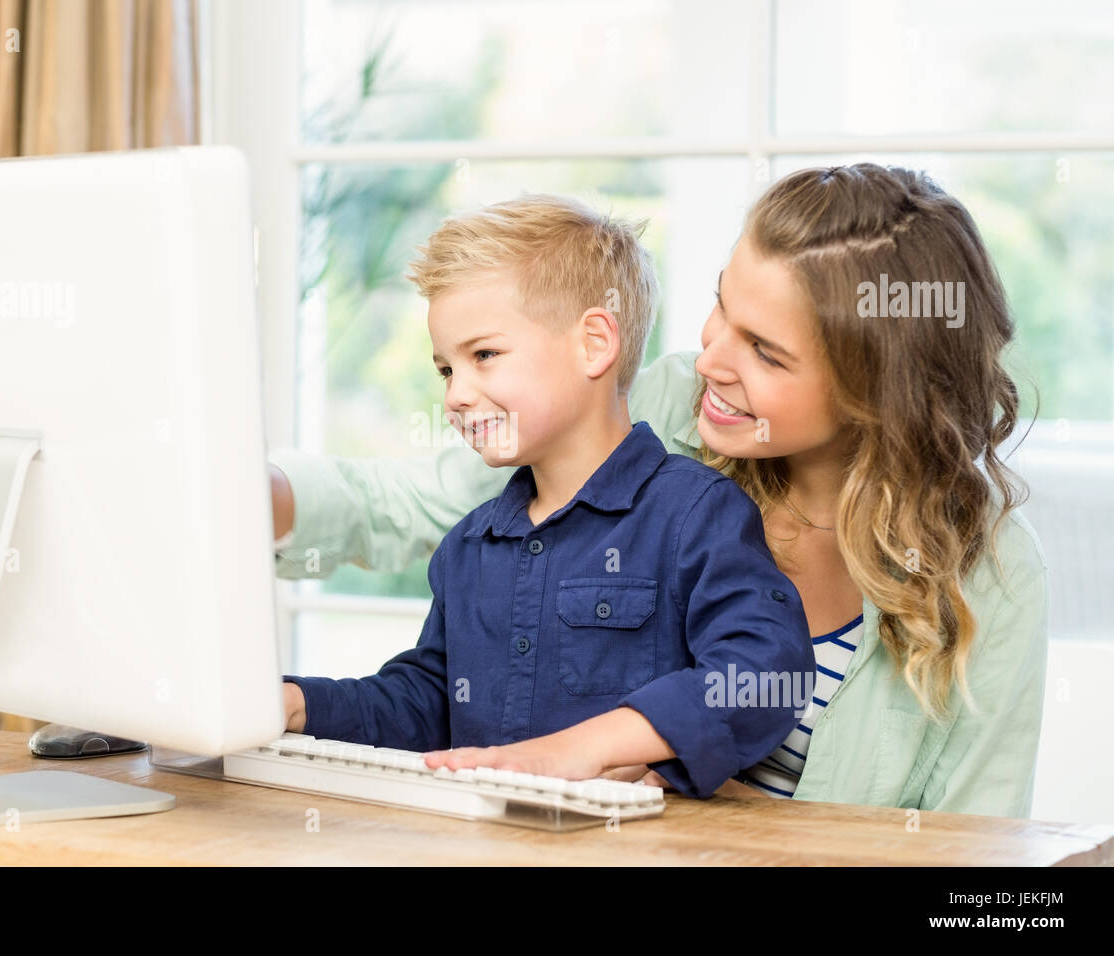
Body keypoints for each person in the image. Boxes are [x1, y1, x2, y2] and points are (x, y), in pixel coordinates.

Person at [271, 165, 1050, 818]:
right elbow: (419, 519)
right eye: (721, 304)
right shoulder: (657, 405)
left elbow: (985, 870)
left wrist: (651, 775)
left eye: (766, 353)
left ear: (877, 392)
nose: (712, 357)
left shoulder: (993, 576)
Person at [280, 194, 815, 797]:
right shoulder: (469, 546)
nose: (456, 394)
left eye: (484, 355)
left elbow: (766, 673)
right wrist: (298, 705)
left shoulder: (696, 514)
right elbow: (427, 702)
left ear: (594, 344)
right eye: (446, 370)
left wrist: (582, 749)